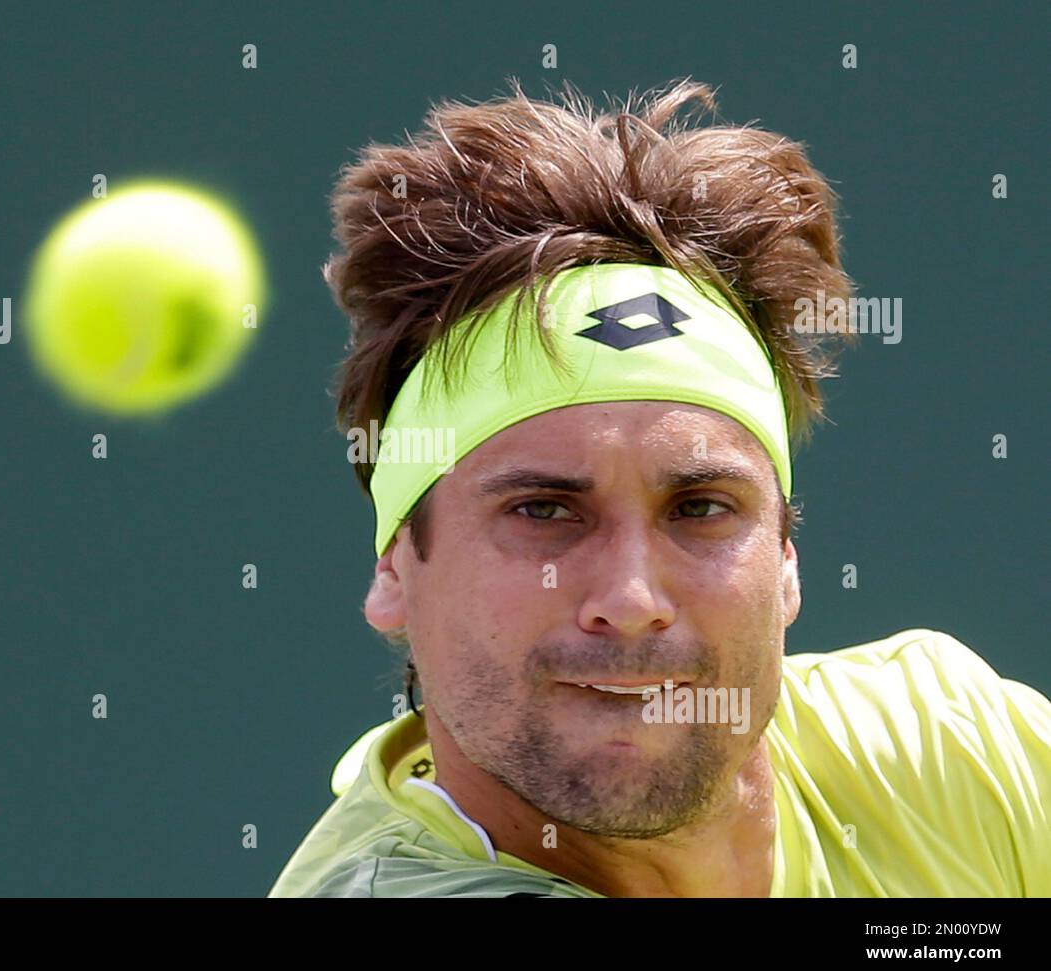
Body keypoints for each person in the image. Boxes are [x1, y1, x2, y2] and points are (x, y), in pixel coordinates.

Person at [268, 78, 1051, 897]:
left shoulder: (952, 744)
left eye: (700, 507)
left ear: (785, 557)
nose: (633, 597)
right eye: (543, 511)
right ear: (396, 566)